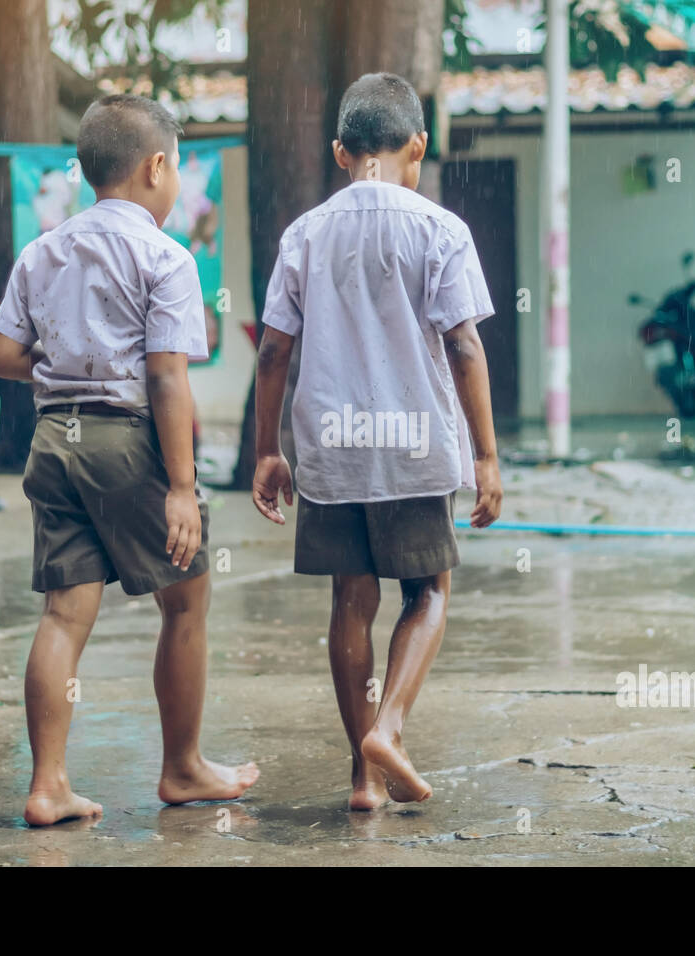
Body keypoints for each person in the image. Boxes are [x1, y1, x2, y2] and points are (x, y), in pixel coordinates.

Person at [0, 93, 259, 826]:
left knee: (64, 616)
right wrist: (181, 486)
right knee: (187, 599)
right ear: (156, 166)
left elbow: (4, 355)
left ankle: (48, 786)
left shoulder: (43, 249)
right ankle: (183, 767)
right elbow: (168, 376)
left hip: (55, 441)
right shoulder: (163, 256)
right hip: (126, 440)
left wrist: (69, 358)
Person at [252, 73, 503, 809]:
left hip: (331, 448)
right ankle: (388, 728)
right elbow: (463, 346)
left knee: (350, 599)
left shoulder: (304, 233)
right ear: (417, 146)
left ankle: (364, 779)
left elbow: (272, 353)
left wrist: (267, 450)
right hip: (414, 443)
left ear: (340, 153)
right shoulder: (441, 230)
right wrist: (485, 455)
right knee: (426, 592)